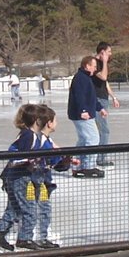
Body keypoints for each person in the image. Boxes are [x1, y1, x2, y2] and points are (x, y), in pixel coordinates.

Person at [0, 104, 43, 252]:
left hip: (17, 176)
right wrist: (30, 161)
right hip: (19, 177)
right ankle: (24, 239)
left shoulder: (29, 134)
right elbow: (18, 157)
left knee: (14, 208)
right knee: (29, 209)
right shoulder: (28, 135)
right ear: (36, 120)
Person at [32, 104, 73, 249]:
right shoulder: (42, 141)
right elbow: (53, 162)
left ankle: (35, 235)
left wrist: (66, 160)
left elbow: (54, 161)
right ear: (49, 123)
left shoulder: (44, 139)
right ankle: (40, 238)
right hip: (38, 183)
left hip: (41, 182)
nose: (57, 123)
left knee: (38, 208)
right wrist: (64, 160)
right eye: (55, 120)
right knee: (43, 209)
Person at [68, 55, 106, 178]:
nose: (95, 69)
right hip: (83, 115)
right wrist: (83, 110)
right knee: (93, 138)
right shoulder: (80, 78)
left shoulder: (85, 78)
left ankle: (77, 165)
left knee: (84, 140)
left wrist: (100, 108)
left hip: (84, 113)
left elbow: (91, 97)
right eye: (94, 66)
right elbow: (80, 96)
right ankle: (88, 166)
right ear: (87, 65)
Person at [91, 42, 121, 168]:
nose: (110, 54)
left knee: (101, 130)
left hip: (103, 99)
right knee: (104, 131)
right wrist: (104, 62)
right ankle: (100, 158)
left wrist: (113, 97)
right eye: (108, 51)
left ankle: (98, 156)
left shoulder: (102, 65)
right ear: (102, 52)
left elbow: (105, 83)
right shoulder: (94, 63)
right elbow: (103, 77)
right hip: (97, 100)